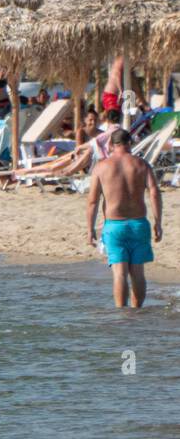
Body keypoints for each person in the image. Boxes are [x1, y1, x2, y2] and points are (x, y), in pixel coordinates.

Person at [87, 128, 163, 308]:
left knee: (119, 273)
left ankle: (122, 316)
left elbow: (92, 201)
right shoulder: (142, 165)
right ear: (130, 143)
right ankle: (137, 312)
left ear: (112, 145)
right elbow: (154, 192)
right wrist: (158, 222)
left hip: (114, 226)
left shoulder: (101, 167)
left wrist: (90, 229)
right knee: (138, 272)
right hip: (139, 224)